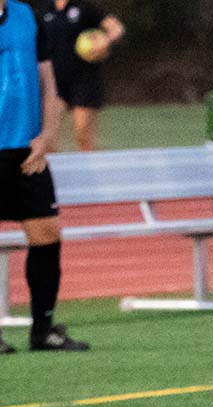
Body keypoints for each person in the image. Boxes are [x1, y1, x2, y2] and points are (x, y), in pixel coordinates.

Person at [0, 0, 89, 353]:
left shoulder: (26, 16)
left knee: (46, 233)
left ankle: (43, 330)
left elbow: (47, 80)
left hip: (27, 148)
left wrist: (47, 134)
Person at [37, 0, 122, 152]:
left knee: (83, 135)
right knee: (48, 140)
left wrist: (105, 41)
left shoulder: (85, 7)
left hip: (84, 80)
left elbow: (116, 28)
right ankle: (55, 175)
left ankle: (97, 173)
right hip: (55, 82)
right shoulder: (44, 10)